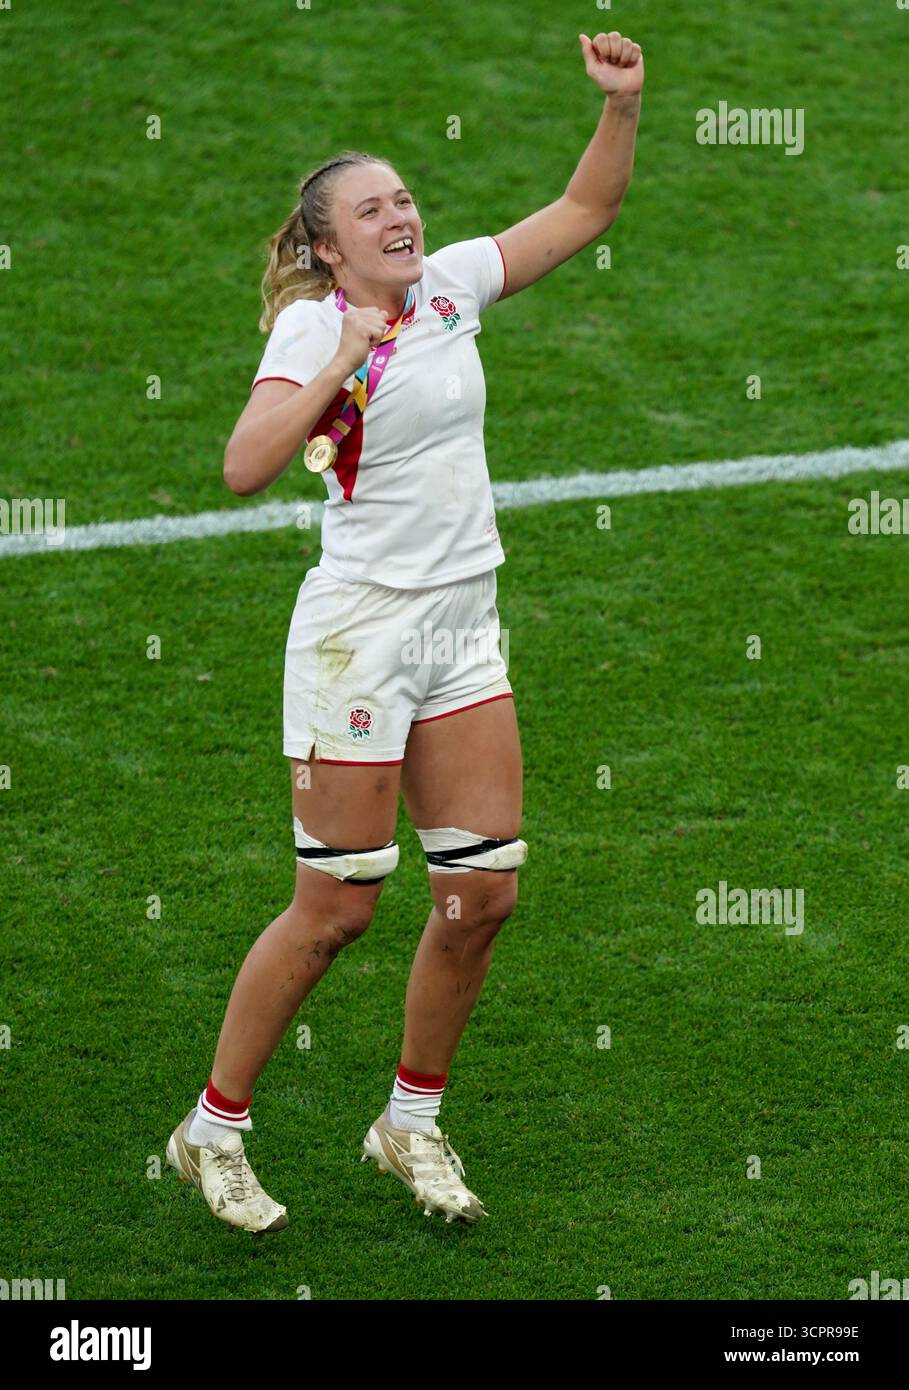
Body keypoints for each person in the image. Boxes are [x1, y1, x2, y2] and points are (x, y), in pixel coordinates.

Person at [166, 30, 644, 1232]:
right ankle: (211, 1128)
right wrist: (338, 355)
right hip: (359, 637)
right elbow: (242, 466)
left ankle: (409, 1125)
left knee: (479, 896)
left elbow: (586, 209)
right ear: (327, 244)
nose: (402, 216)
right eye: (373, 209)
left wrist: (621, 107)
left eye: (407, 198)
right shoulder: (312, 329)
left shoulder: (450, 287)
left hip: (462, 626)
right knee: (336, 907)